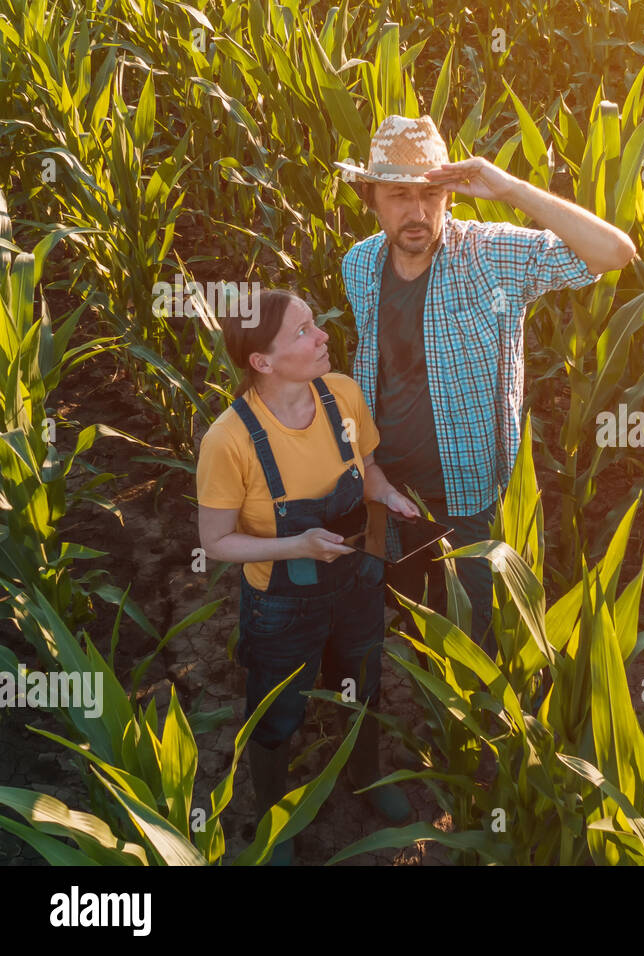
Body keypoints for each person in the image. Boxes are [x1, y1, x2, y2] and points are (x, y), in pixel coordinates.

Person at [335, 114, 637, 656]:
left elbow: (613, 254)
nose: (418, 212)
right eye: (399, 195)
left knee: (478, 639)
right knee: (416, 617)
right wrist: (369, 468)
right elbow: (371, 372)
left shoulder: (488, 256)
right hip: (387, 488)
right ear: (370, 198)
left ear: (451, 193)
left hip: (471, 495)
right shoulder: (359, 265)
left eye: (432, 193)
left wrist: (511, 189)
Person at [196, 288, 421, 865]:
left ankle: (366, 775)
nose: (323, 336)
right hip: (281, 603)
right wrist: (297, 543)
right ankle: (278, 816)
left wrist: (389, 494)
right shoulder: (229, 440)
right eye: (302, 332)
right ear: (261, 362)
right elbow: (216, 542)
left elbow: (365, 468)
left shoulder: (341, 394)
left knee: (362, 679)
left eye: (315, 324)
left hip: (355, 581)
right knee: (277, 708)